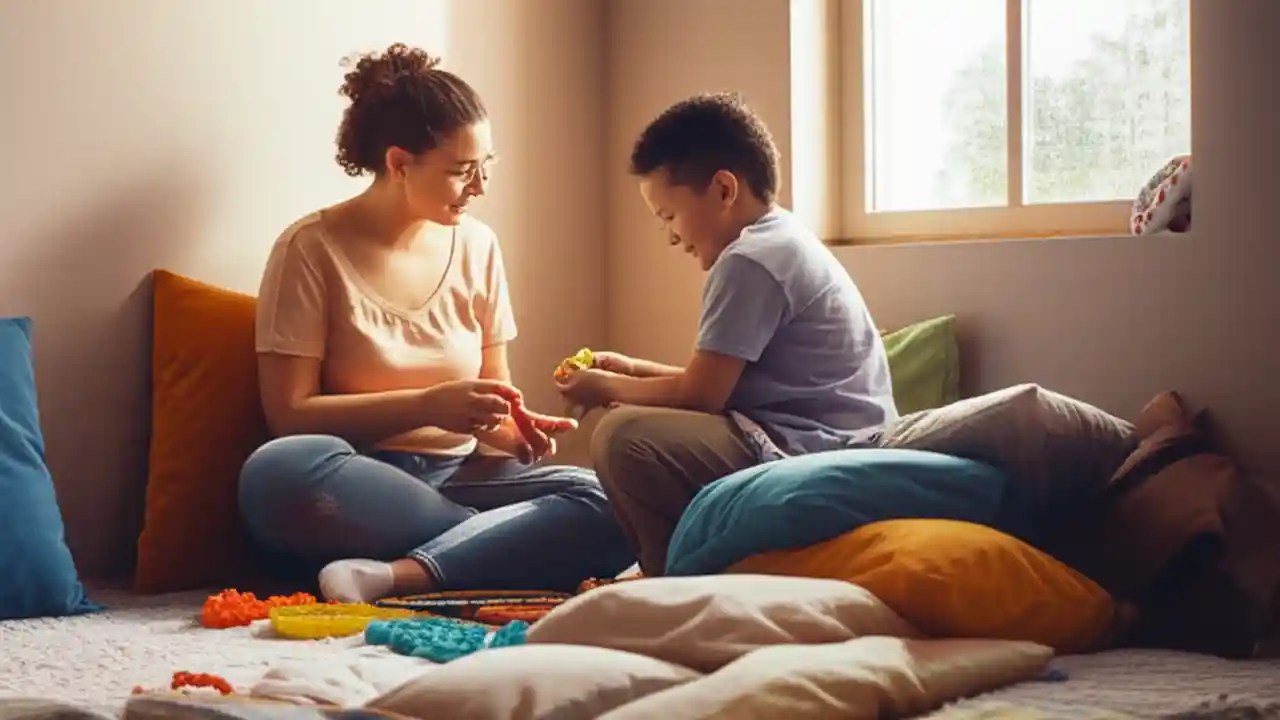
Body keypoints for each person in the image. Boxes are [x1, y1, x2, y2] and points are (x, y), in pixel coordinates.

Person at [238, 43, 634, 603]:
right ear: (399, 164)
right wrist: (426, 405)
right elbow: (289, 416)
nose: (480, 188)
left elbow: (491, 404)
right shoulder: (310, 249)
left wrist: (512, 428)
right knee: (277, 472)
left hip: (460, 473)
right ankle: (492, 545)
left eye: (486, 167)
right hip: (356, 479)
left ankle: (396, 574)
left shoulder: (478, 246)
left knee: (608, 498)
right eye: (462, 171)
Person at [557, 92, 898, 575]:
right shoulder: (781, 238)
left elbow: (702, 396)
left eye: (668, 216)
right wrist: (631, 370)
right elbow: (725, 382)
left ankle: (668, 579)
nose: (672, 236)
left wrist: (606, 388)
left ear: (722, 189)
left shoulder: (749, 260)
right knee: (639, 424)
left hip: (816, 446)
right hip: (818, 431)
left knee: (625, 436)